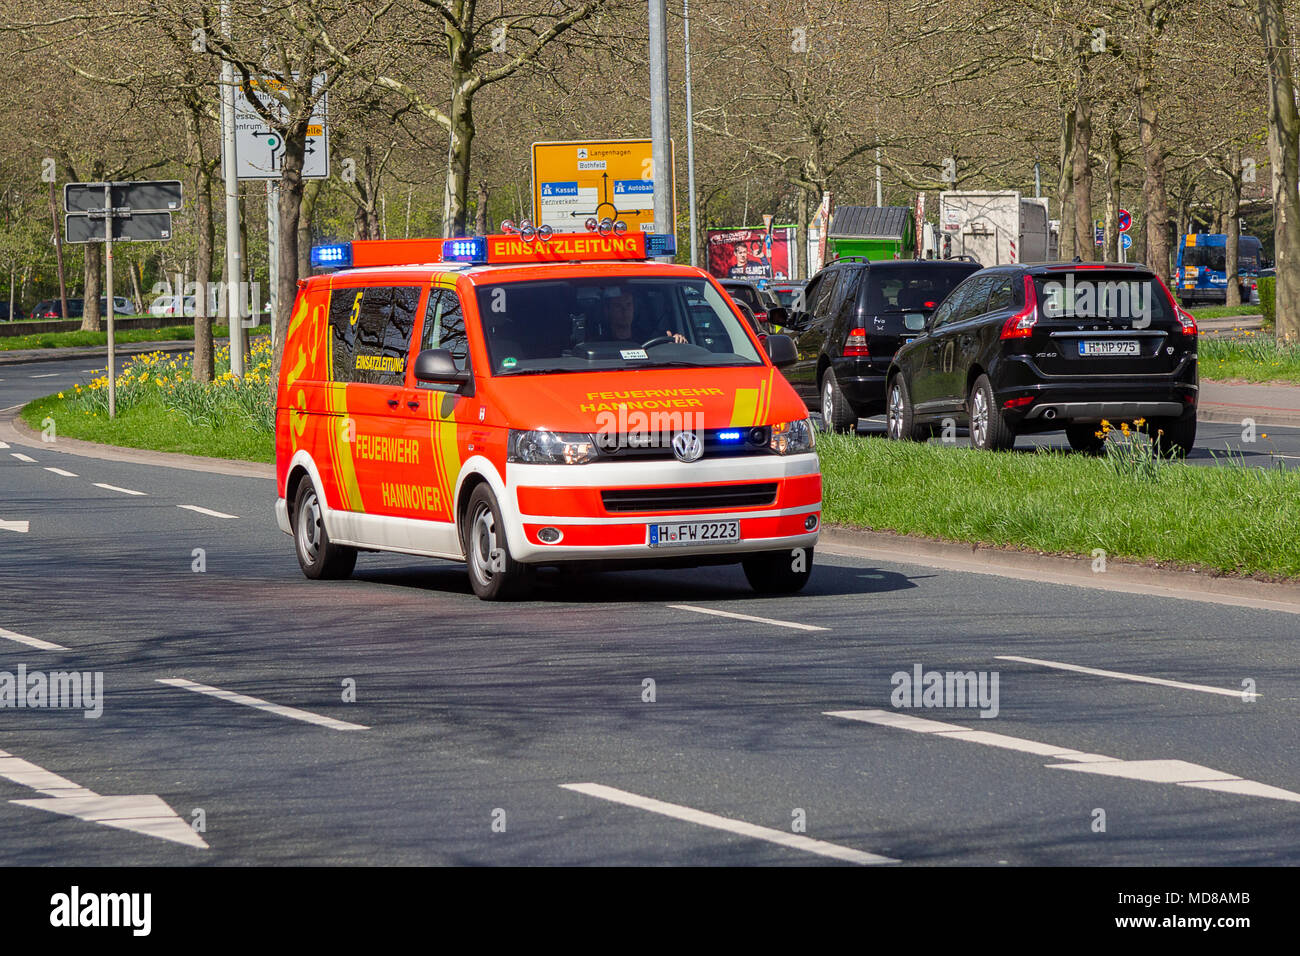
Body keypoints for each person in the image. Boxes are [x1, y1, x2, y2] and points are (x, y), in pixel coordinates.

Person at [603, 290, 685, 344]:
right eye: (618, 306)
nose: (625, 311)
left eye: (628, 305)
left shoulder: (650, 338)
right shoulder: (599, 345)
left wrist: (677, 339)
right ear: (607, 311)